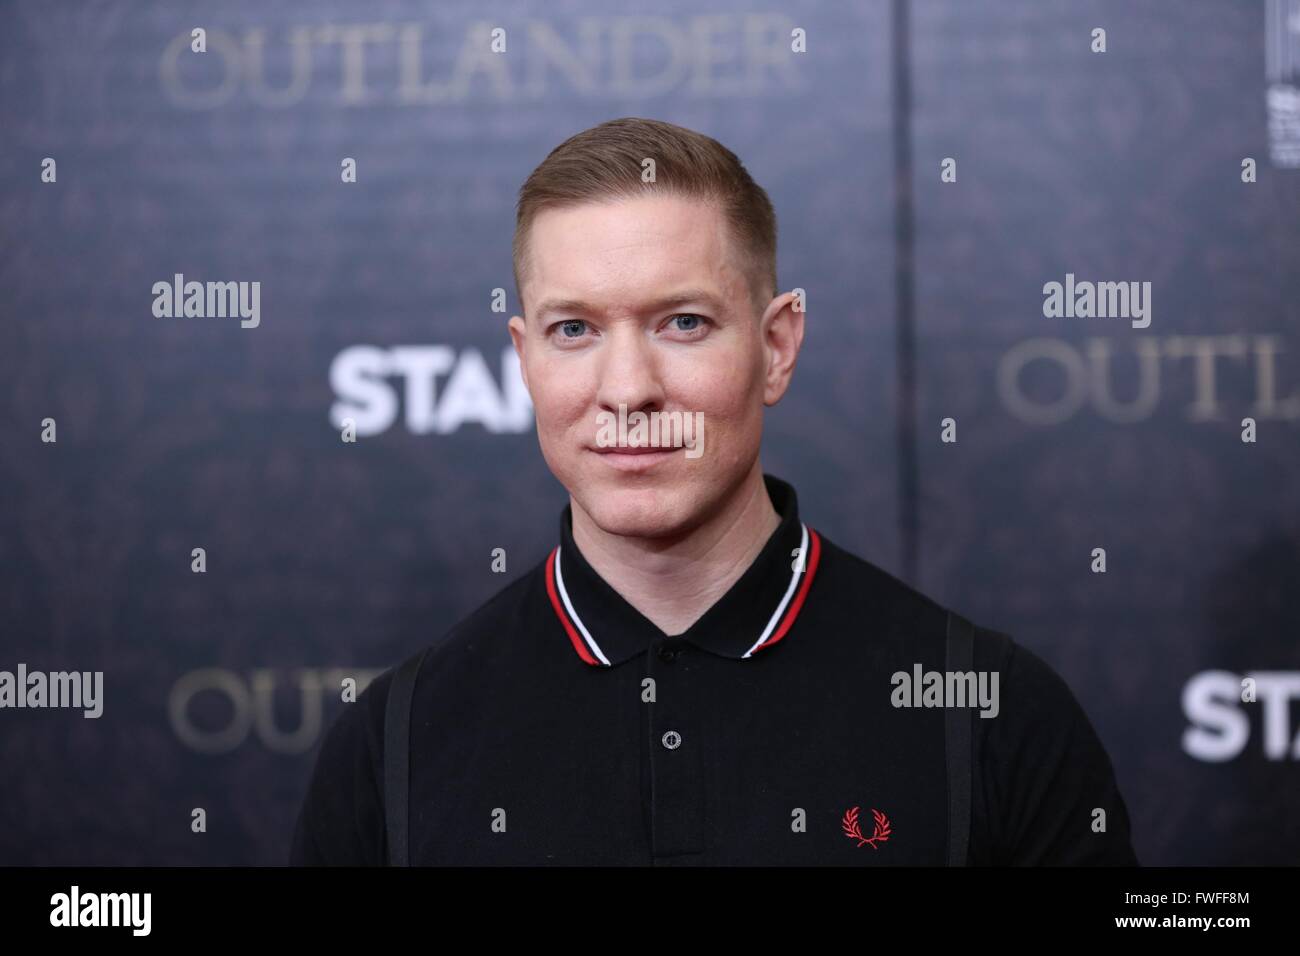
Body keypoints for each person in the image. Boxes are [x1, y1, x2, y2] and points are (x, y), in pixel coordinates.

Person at [290, 117, 1137, 866]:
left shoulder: (991, 712)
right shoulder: (392, 745)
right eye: (574, 329)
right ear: (523, 358)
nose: (628, 390)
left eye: (682, 322)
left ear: (776, 347)